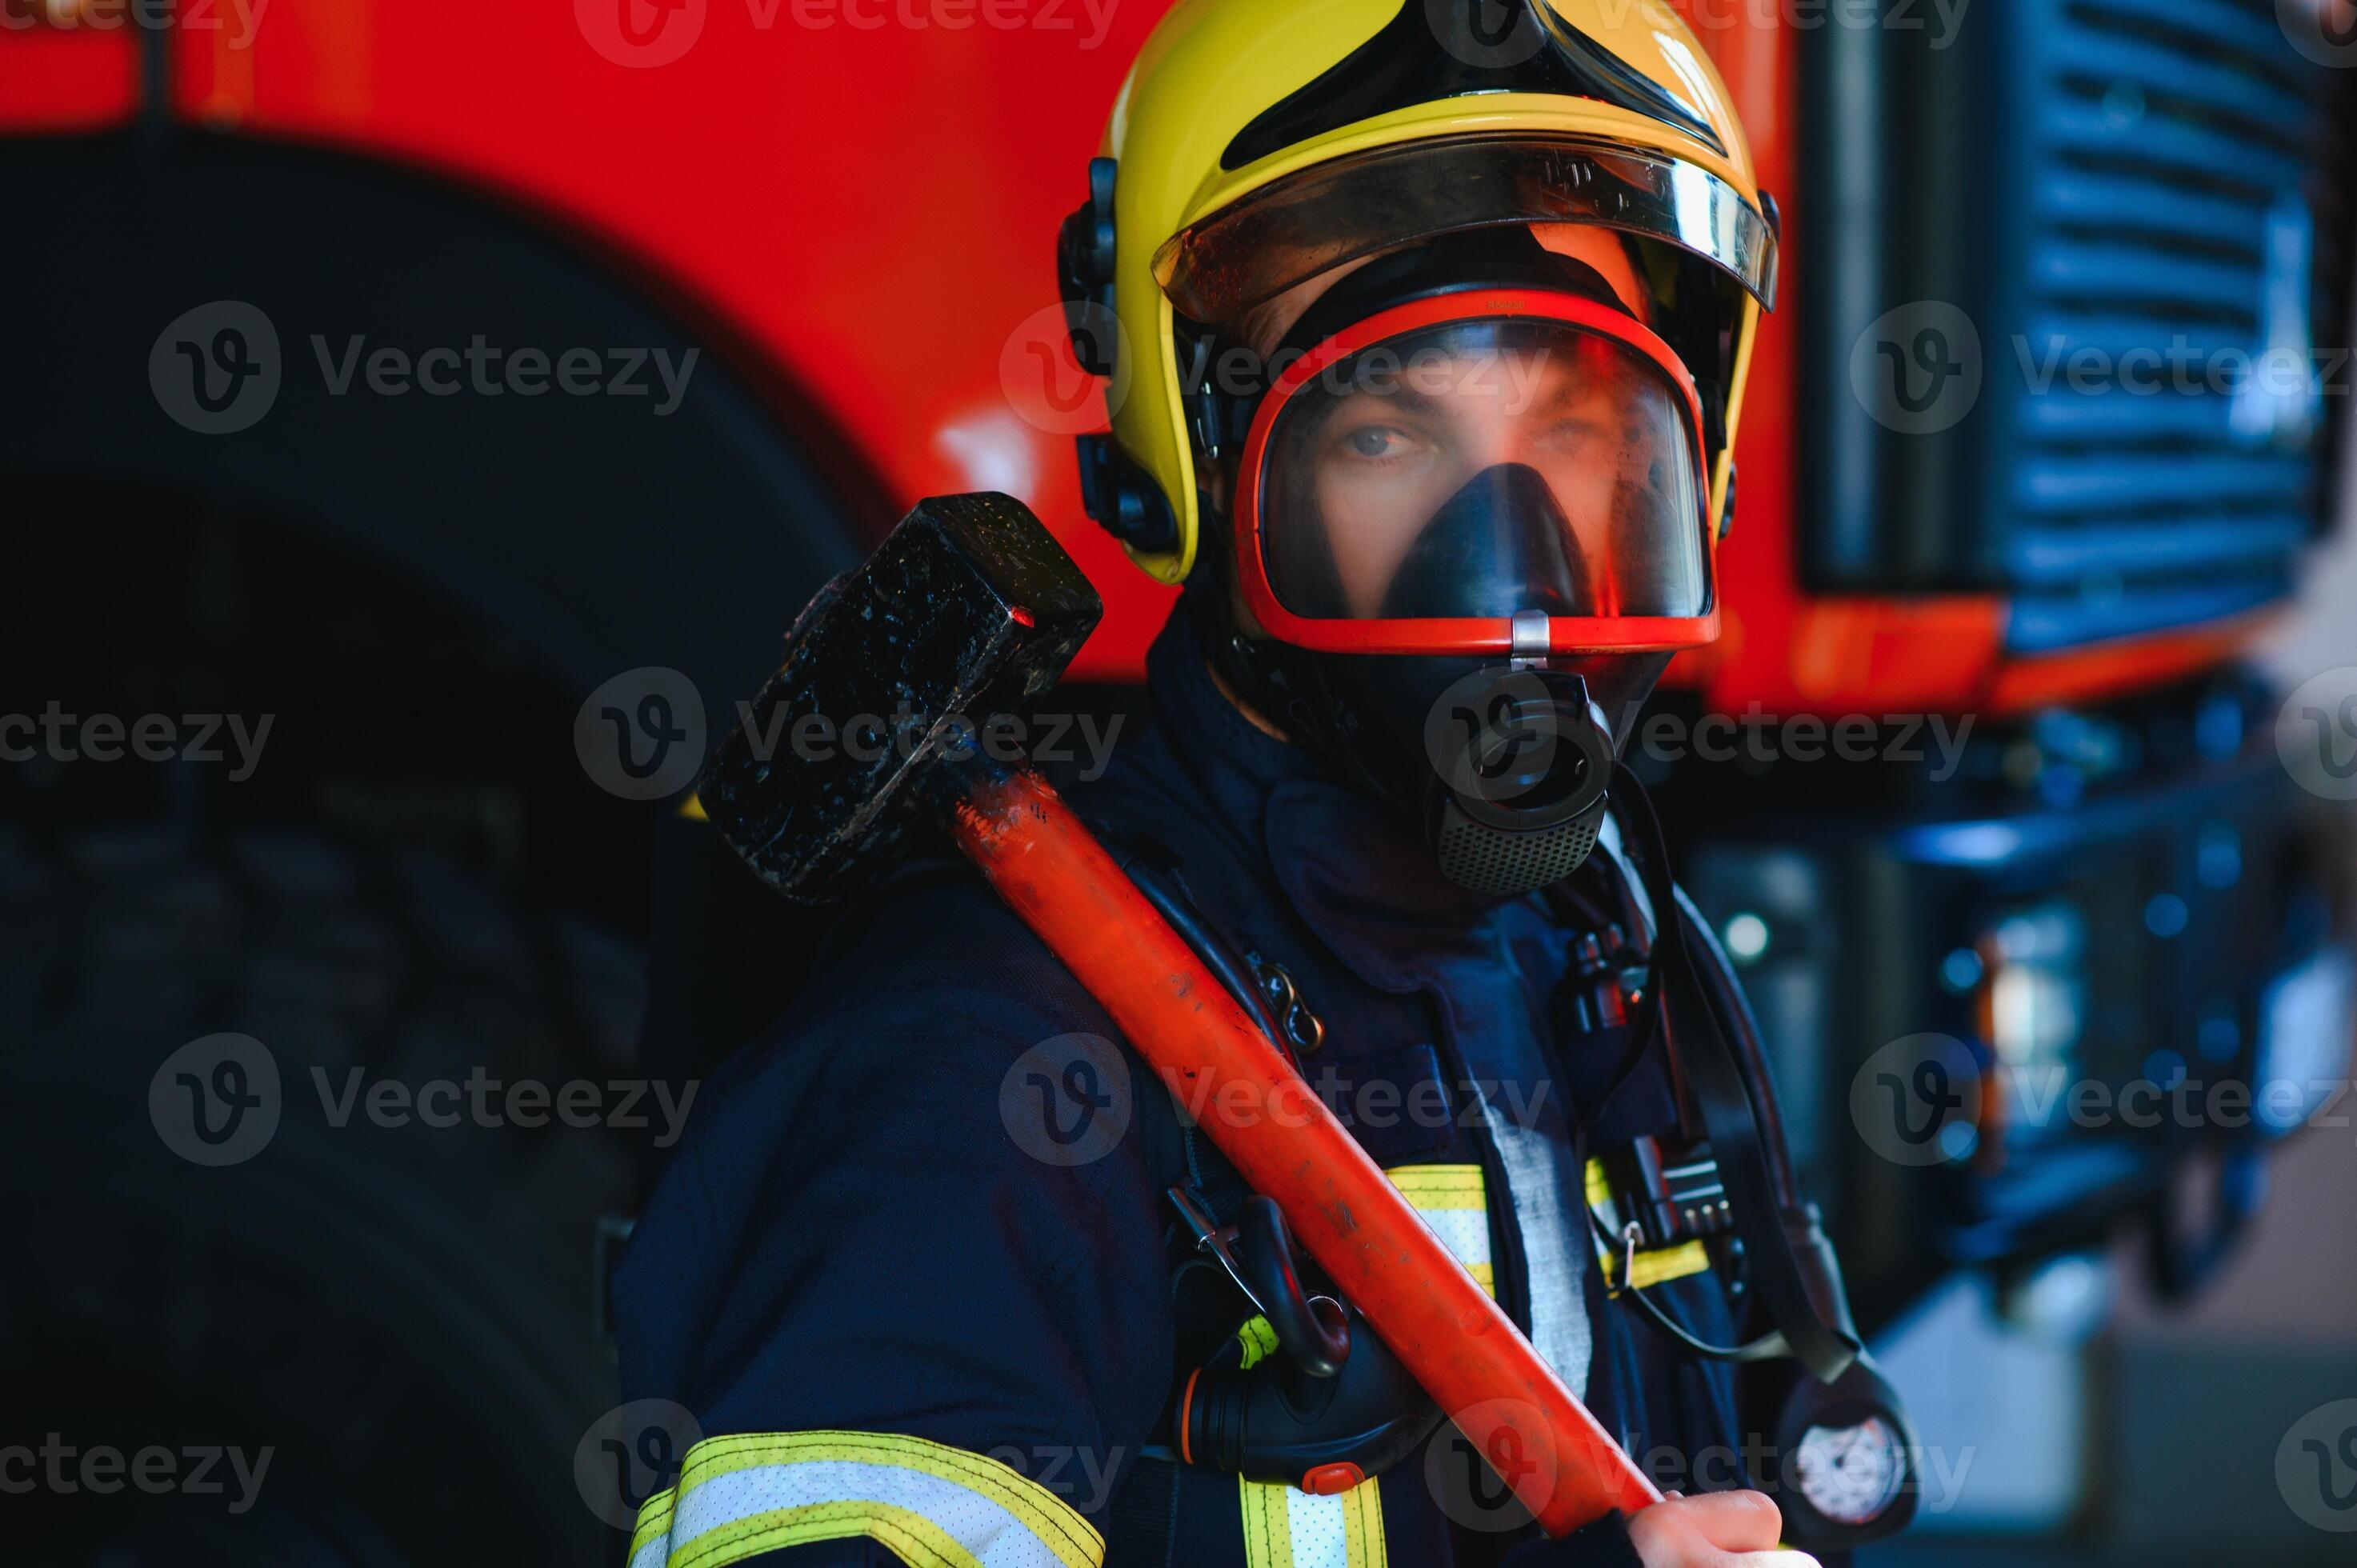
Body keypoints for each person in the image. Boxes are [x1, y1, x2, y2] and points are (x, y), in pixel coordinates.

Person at [616, 3, 1849, 1564]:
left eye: (1578, 425)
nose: (1511, 550)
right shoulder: (1000, 1057)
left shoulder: (1609, 971)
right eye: (1391, 426)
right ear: (1211, 462)